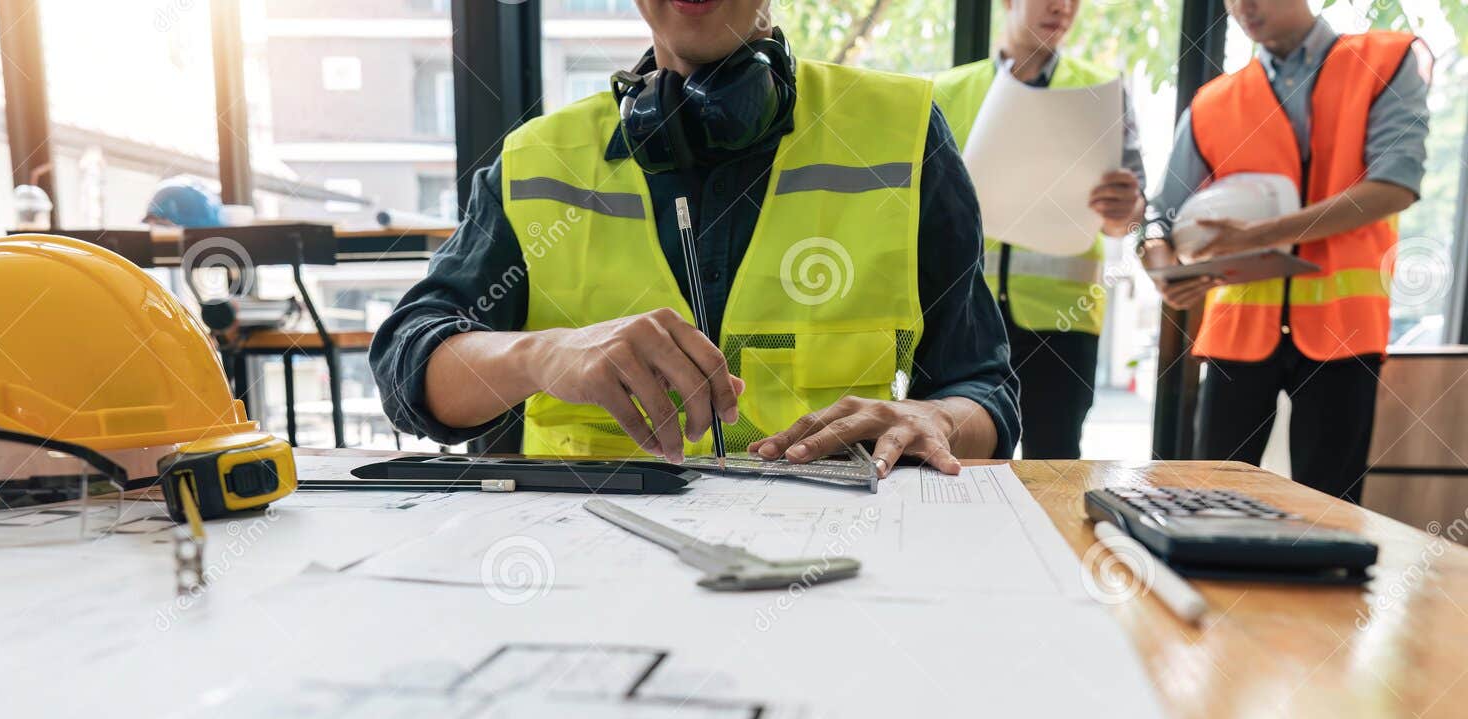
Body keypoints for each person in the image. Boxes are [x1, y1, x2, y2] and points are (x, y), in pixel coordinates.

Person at [369, 0, 1019, 476]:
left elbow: (985, 393)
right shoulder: (540, 160)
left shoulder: (900, 132)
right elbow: (407, 370)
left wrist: (935, 421)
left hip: (829, 565)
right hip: (587, 576)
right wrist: (544, 355)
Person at [1141, 0, 1431, 502]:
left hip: (1344, 333)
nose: (1242, 7)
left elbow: (1394, 185)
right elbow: (1161, 217)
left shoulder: (1385, 61)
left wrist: (1256, 235)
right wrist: (1162, 268)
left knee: (1333, 512)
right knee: (1207, 503)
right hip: (1239, 333)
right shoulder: (1213, 102)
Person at [932, 0, 1146, 459]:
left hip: (1062, 323)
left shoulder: (1104, 92)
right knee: (959, 465)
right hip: (963, 320)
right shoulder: (945, 91)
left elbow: (1127, 222)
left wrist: (1123, 210)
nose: (1061, 7)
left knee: (1056, 468)